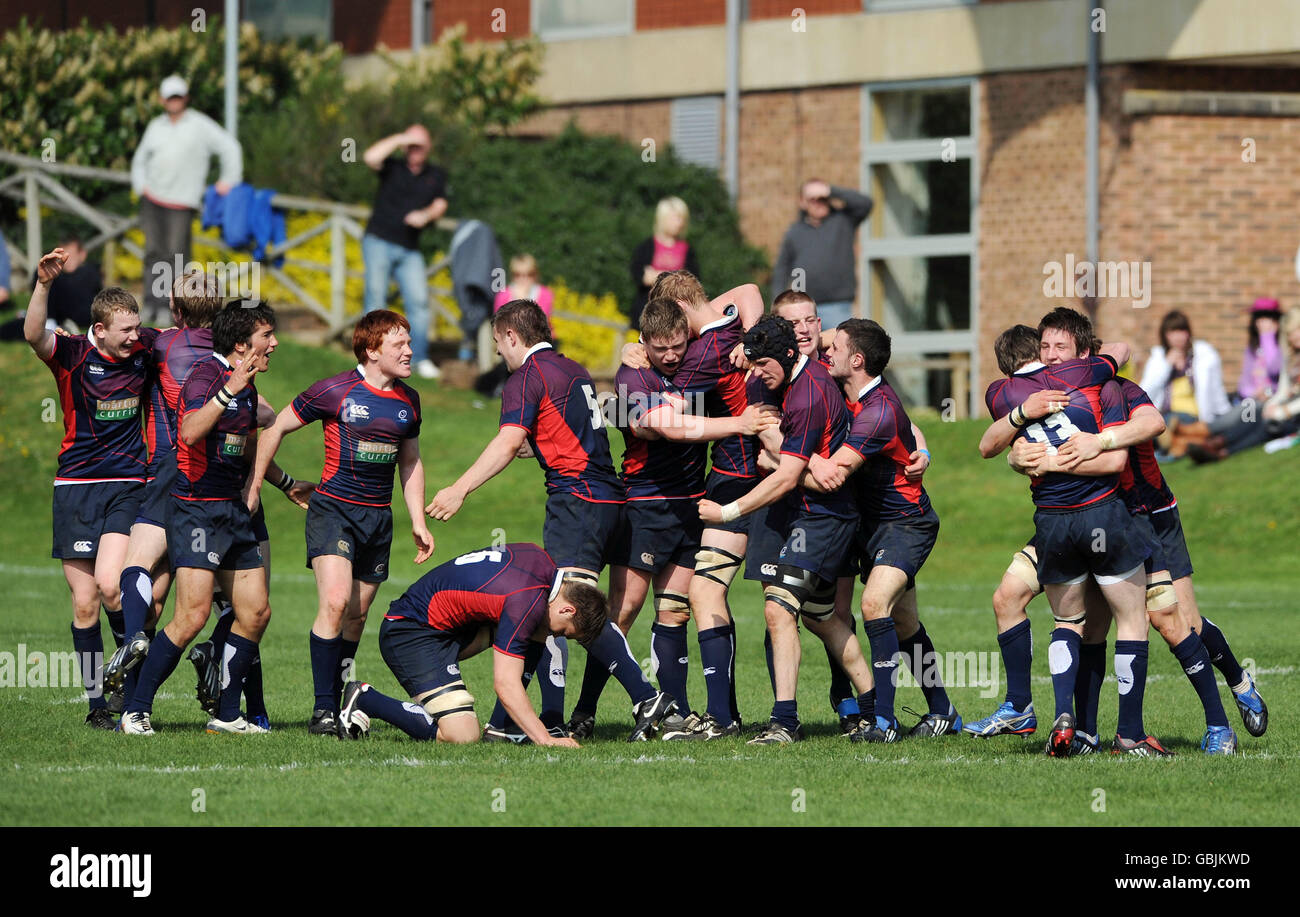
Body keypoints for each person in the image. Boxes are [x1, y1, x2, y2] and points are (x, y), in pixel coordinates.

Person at [428, 299, 677, 742]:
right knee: (562, 605)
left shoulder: (527, 376)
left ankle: (640, 697)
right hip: (608, 500)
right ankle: (523, 723)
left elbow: (508, 443)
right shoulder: (573, 368)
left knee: (560, 606)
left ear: (510, 336)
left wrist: (458, 488)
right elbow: (559, 431)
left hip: (577, 501)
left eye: (498, 344)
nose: (500, 355)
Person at [572, 298, 776, 735]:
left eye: (678, 346)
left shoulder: (695, 365)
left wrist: (749, 334)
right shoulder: (634, 373)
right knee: (621, 614)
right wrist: (739, 423)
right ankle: (584, 712)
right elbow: (663, 427)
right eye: (660, 348)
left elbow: (744, 294)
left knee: (674, 611)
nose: (670, 356)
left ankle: (676, 712)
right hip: (645, 506)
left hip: (691, 505)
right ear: (643, 342)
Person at [983, 308, 1168, 757]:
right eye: (1044, 348)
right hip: (1101, 513)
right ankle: (1128, 733)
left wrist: (1022, 431)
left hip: (1051, 521)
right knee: (1131, 619)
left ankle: (1061, 717)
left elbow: (987, 446)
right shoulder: (1089, 374)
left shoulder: (1000, 393)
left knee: (1068, 621)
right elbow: (1121, 351)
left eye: (1057, 347)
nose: (1051, 356)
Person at [248, 310, 434, 736]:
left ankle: (341, 699)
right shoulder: (335, 390)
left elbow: (410, 460)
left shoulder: (409, 401)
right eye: (399, 345)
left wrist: (418, 521)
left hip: (378, 520)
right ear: (371, 350)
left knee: (356, 614)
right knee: (334, 602)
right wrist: (256, 486)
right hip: (333, 512)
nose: (409, 351)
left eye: (408, 342)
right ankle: (322, 710)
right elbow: (274, 428)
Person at [699, 317, 863, 745]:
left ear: (790, 355)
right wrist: (790, 462)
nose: (755, 374)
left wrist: (729, 510)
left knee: (779, 608)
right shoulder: (764, 381)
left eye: (763, 364)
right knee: (821, 618)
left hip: (821, 517)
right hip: (794, 511)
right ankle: (876, 705)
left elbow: (784, 472)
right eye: (751, 364)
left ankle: (785, 721)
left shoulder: (810, 392)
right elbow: (768, 458)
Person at [120, 301, 278, 735]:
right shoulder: (206, 377)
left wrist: (282, 481)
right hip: (196, 512)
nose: (275, 343)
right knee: (191, 616)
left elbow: (241, 442)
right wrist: (228, 390)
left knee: (256, 612)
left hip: (231, 511)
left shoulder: (244, 385)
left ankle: (227, 715)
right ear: (243, 343)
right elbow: (190, 431)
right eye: (267, 336)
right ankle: (136, 710)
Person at [808, 319, 959, 742]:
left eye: (834, 347)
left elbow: (835, 473)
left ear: (856, 360)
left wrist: (781, 461)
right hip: (872, 524)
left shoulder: (876, 411)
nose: (826, 352)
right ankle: (944, 711)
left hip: (905, 524)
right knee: (905, 621)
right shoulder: (853, 388)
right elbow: (910, 428)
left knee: (875, 605)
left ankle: (884, 722)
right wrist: (922, 447)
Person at [24, 249, 156, 729]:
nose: (133, 335)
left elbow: (188, 344)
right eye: (124, 329)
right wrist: (43, 284)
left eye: (136, 327)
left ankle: (131, 676)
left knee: (110, 587)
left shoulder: (145, 351)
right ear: (98, 330)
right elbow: (32, 334)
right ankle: (99, 706)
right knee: (83, 604)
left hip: (127, 484)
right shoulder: (74, 355)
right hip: (75, 487)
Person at [337, 543, 607, 746]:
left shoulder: (541, 561)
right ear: (568, 610)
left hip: (444, 626)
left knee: (536, 630)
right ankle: (365, 698)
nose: (559, 638)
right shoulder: (526, 601)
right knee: (463, 735)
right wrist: (545, 740)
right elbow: (505, 683)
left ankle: (504, 727)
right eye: (567, 633)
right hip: (410, 634)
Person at [130, 75, 242, 325]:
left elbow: (230, 148)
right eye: (170, 97)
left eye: (178, 96)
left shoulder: (200, 125)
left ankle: (174, 308)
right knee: (152, 254)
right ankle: (151, 304)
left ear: (186, 98)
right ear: (162, 99)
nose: (174, 101)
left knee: (176, 257)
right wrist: (142, 187)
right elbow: (140, 160)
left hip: (182, 203)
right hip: (153, 200)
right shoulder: (155, 126)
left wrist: (228, 180)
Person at [361, 125, 449, 380]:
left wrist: (426, 215)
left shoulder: (435, 174)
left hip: (410, 248)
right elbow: (370, 157)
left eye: (419, 145)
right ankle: (371, 356)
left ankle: (418, 358)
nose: (414, 150)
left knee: (419, 302)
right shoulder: (393, 166)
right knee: (376, 299)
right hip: (378, 240)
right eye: (411, 146)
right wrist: (400, 137)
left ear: (428, 148)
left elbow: (441, 203)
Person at [770, 179, 872, 330]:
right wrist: (777, 305)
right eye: (812, 199)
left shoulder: (843, 221)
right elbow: (782, 269)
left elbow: (865, 204)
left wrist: (830, 190)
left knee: (840, 349)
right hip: (803, 309)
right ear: (802, 202)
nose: (819, 203)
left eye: (822, 198)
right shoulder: (795, 232)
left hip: (838, 306)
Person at [1138, 309, 1231, 426]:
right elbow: (1146, 392)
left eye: (1181, 331)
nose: (1177, 337)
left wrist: (1224, 413)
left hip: (1197, 417)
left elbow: (1216, 388)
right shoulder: (1158, 359)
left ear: (1188, 333)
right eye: (1172, 332)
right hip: (1166, 415)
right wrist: (1166, 366)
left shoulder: (1203, 355)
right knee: (1170, 420)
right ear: (1165, 335)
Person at [629, 197, 700, 331]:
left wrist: (657, 276)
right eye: (676, 218)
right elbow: (639, 275)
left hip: (676, 318)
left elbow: (693, 281)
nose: (680, 223)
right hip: (645, 315)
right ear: (663, 219)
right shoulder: (646, 246)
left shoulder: (687, 250)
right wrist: (674, 278)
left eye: (682, 218)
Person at [1237, 298, 1284, 403]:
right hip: (1252, 399)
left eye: (1267, 317)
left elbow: (1274, 370)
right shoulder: (1252, 347)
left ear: (1277, 321)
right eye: (1258, 318)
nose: (1261, 322)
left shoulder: (1283, 346)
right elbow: (1245, 379)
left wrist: (1268, 337)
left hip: (1275, 400)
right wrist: (1251, 393)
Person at [495, 254, 553, 320]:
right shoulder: (503, 295)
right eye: (517, 274)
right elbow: (498, 324)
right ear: (512, 275)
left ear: (535, 274)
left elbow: (541, 323)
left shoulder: (545, 294)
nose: (523, 279)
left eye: (529, 274)